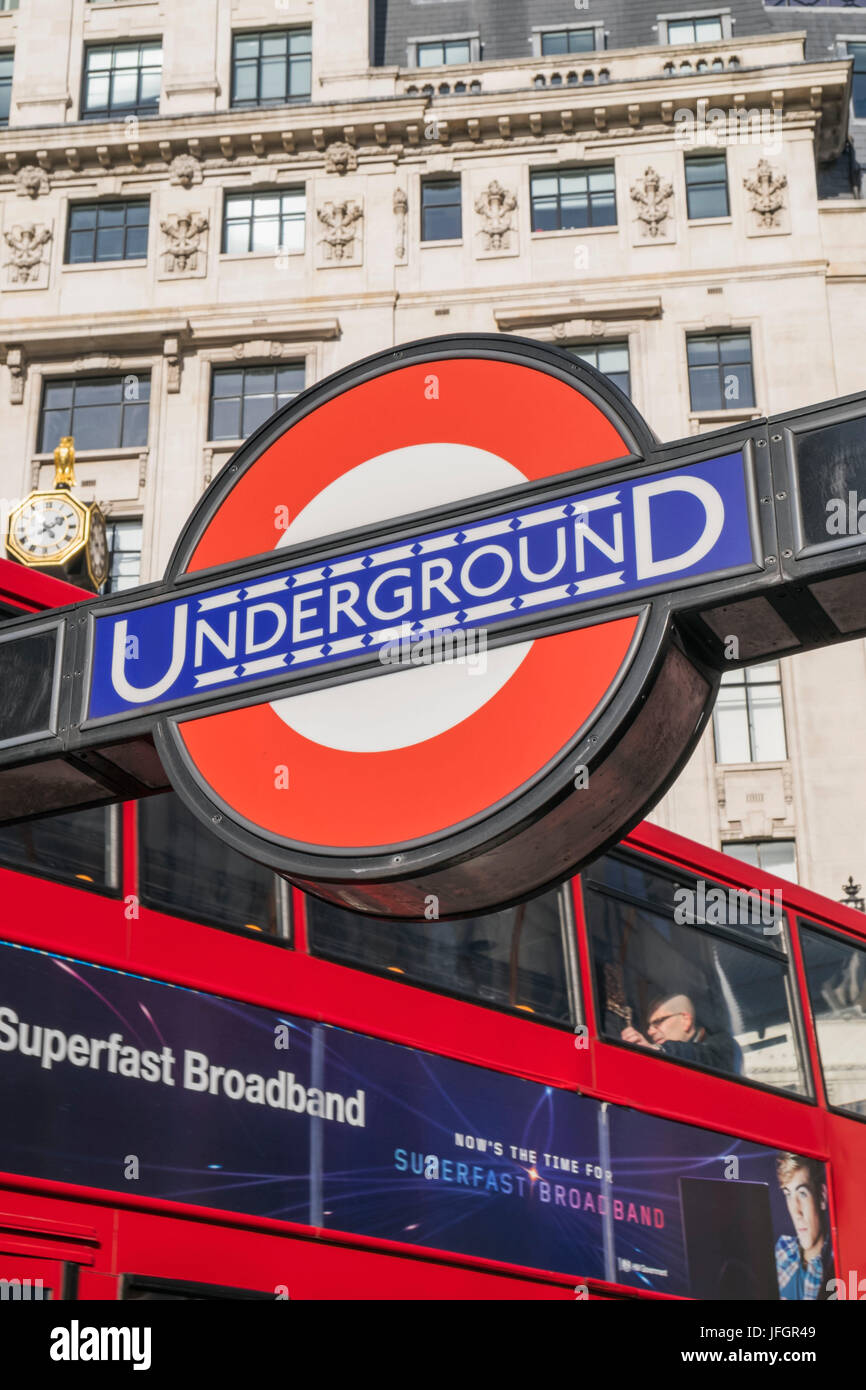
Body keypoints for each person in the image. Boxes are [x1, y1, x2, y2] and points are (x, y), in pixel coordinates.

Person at [620, 992, 739, 1073]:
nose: (649, 1032)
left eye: (658, 1022)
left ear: (685, 1020)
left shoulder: (723, 1045)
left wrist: (657, 1050)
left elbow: (701, 1055)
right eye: (649, 1026)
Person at [774, 1153, 835, 1300]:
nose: (796, 1212)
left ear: (822, 1197)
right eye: (788, 1195)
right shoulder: (782, 1250)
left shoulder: (838, 1265)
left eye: (802, 1193)